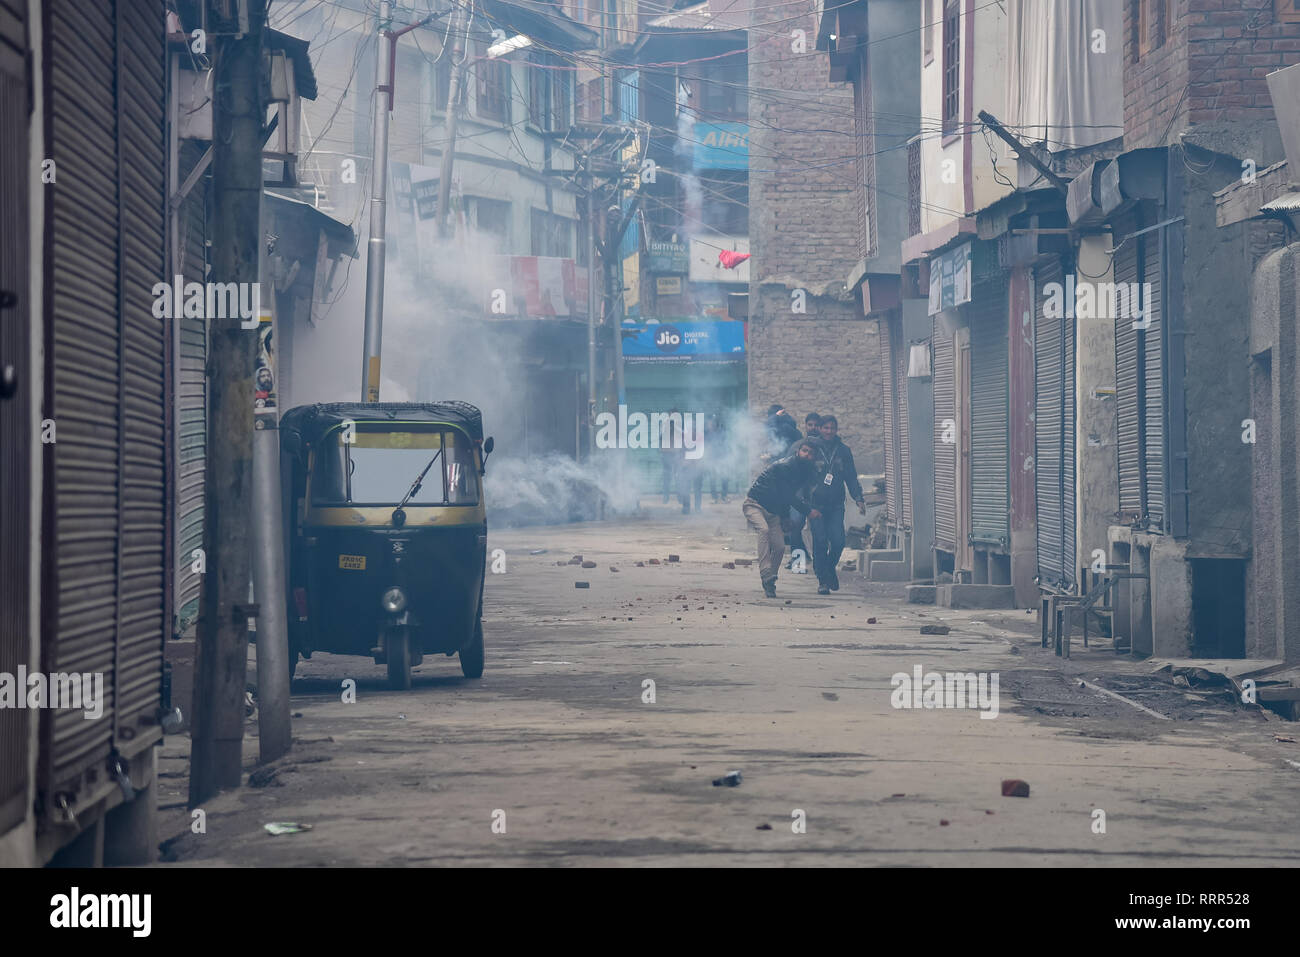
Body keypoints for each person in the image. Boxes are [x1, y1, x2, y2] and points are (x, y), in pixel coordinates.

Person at [742, 440, 818, 598]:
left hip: (773, 512)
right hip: (755, 504)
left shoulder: (805, 471)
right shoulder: (785, 466)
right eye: (805, 451)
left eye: (811, 453)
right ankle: (765, 571)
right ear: (797, 452)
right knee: (763, 530)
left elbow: (784, 496)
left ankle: (770, 581)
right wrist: (807, 511)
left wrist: (784, 517)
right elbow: (787, 495)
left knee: (780, 547)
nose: (807, 455)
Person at [806, 414, 866, 595]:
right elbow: (801, 474)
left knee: (839, 541)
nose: (829, 431)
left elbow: (851, 476)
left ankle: (829, 568)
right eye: (826, 428)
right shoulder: (811, 449)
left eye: (832, 428)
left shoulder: (843, 451)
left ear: (836, 430)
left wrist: (858, 498)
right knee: (820, 541)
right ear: (820, 429)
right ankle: (822, 581)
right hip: (815, 504)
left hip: (836, 504)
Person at [782, 412, 822, 569]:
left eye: (816, 425)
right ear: (805, 426)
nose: (813, 428)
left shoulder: (825, 448)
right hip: (798, 494)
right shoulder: (796, 446)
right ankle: (798, 561)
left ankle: (818, 561)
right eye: (810, 425)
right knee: (795, 526)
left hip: (817, 494)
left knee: (818, 530)